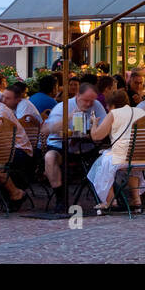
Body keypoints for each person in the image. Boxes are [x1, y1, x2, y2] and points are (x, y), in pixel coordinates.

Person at [42, 81, 104, 209]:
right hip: (61, 147)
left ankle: (108, 198)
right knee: (49, 158)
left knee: (108, 157)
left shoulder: (96, 105)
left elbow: (106, 125)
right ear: (77, 95)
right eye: (85, 100)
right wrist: (69, 117)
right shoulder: (63, 107)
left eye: (91, 101)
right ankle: (60, 198)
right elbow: (46, 129)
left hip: (87, 148)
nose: (88, 104)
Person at [86, 89, 145, 210]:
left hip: (124, 157)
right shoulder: (141, 111)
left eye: (107, 105)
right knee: (131, 166)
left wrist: (94, 123)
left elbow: (96, 136)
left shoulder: (114, 114)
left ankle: (109, 201)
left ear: (112, 105)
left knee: (101, 164)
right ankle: (136, 200)